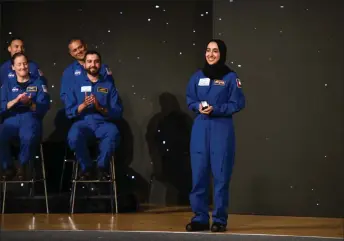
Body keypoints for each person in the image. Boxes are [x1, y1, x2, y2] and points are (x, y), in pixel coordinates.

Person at [185, 39, 245, 232]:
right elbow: (190, 99)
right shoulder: (197, 76)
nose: (211, 54)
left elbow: (238, 103)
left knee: (221, 176)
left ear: (222, 54)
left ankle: (219, 219)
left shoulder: (230, 77)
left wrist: (217, 109)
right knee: (199, 175)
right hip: (201, 128)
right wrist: (197, 107)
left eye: (215, 51)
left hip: (221, 128)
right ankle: (200, 217)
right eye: (208, 50)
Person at [64, 50, 122, 180]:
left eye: (96, 62)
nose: (93, 64)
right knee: (73, 136)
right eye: (89, 61)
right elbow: (68, 111)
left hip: (103, 123)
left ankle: (102, 168)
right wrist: (83, 105)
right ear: (84, 65)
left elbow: (117, 112)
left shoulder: (108, 85)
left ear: (100, 64)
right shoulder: (75, 85)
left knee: (113, 133)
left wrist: (99, 107)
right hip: (82, 123)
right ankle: (86, 168)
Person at [0, 53, 50, 180]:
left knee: (28, 136)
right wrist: (15, 101)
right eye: (19, 64)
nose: (23, 67)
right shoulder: (7, 84)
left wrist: (30, 103)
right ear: (13, 67)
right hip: (12, 118)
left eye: (25, 63)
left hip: (30, 117)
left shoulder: (38, 82)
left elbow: (44, 107)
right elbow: (2, 106)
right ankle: (8, 167)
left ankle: (23, 166)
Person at [60, 38, 114, 103]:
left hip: (102, 109)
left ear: (85, 46)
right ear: (71, 54)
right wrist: (81, 105)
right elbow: (65, 95)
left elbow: (111, 91)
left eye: (80, 47)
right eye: (75, 50)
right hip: (81, 111)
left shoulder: (103, 68)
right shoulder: (68, 72)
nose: (79, 51)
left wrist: (98, 99)